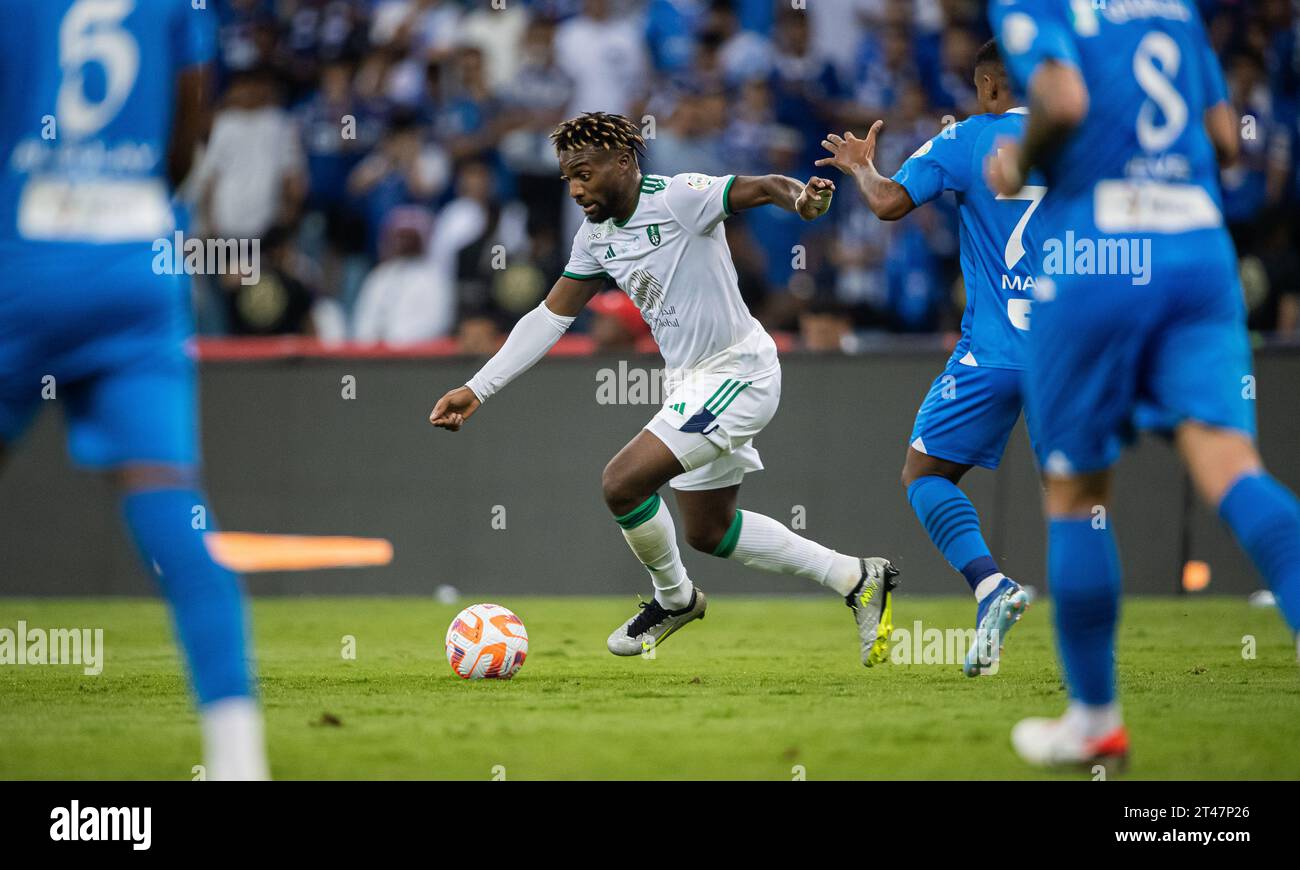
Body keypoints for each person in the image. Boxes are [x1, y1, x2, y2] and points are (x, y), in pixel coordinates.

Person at [430, 111, 900, 665]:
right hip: (691, 383)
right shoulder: (594, 238)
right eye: (568, 178)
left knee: (621, 483)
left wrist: (803, 202)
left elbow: (763, 186)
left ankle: (674, 599)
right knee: (710, 530)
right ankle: (856, 576)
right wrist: (478, 388)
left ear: (624, 162)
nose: (577, 188)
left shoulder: (679, 197)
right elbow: (548, 319)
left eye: (585, 173)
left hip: (738, 372)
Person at [986, 0, 1300, 768]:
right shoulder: (1175, 5)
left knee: (1078, 495)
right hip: (1196, 250)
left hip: (1097, 251)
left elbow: (1060, 101)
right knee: (1233, 469)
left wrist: (1019, 164)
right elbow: (1227, 139)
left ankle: (1096, 719)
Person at [0, 0, 267, 779]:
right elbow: (191, 123)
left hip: (22, 257)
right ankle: (238, 758)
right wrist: (142, 205)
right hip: (136, 269)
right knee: (173, 507)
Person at [817, 39, 1040, 677]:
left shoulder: (968, 138)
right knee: (1080, 502)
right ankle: (1097, 692)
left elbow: (888, 204)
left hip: (996, 354)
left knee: (925, 474)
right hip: (1075, 353)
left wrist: (863, 166)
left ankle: (992, 586)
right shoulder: (1080, 141)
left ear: (990, 87)